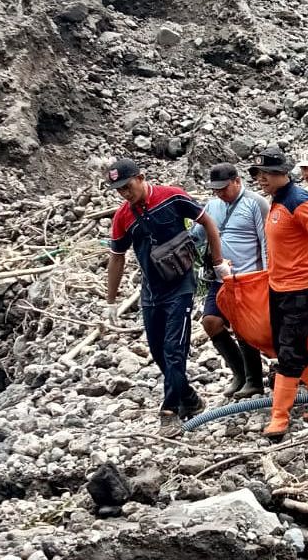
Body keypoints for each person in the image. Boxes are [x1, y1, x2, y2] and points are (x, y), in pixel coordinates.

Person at [104, 158, 226, 437]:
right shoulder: (123, 217)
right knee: (158, 350)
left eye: (127, 186)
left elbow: (207, 221)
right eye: (118, 190)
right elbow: (117, 257)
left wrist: (217, 260)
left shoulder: (171, 197)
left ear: (142, 177)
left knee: (174, 350)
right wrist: (110, 301)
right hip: (151, 290)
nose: (125, 193)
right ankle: (190, 399)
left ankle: (169, 410)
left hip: (180, 286)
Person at [250, 146, 308, 439]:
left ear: (282, 174)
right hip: (279, 288)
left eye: (267, 173)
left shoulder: (300, 202)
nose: (261, 178)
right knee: (288, 345)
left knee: (288, 351)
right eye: (258, 173)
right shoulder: (277, 201)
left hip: (301, 290)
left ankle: (279, 417)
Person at [197, 163, 268, 399]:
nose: (220, 193)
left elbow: (266, 241)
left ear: (237, 181)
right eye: (215, 189)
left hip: (248, 278)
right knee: (210, 322)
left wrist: (268, 276)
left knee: (243, 328)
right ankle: (239, 372)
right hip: (220, 278)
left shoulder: (256, 203)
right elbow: (197, 235)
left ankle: (254, 380)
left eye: (224, 188)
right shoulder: (213, 205)